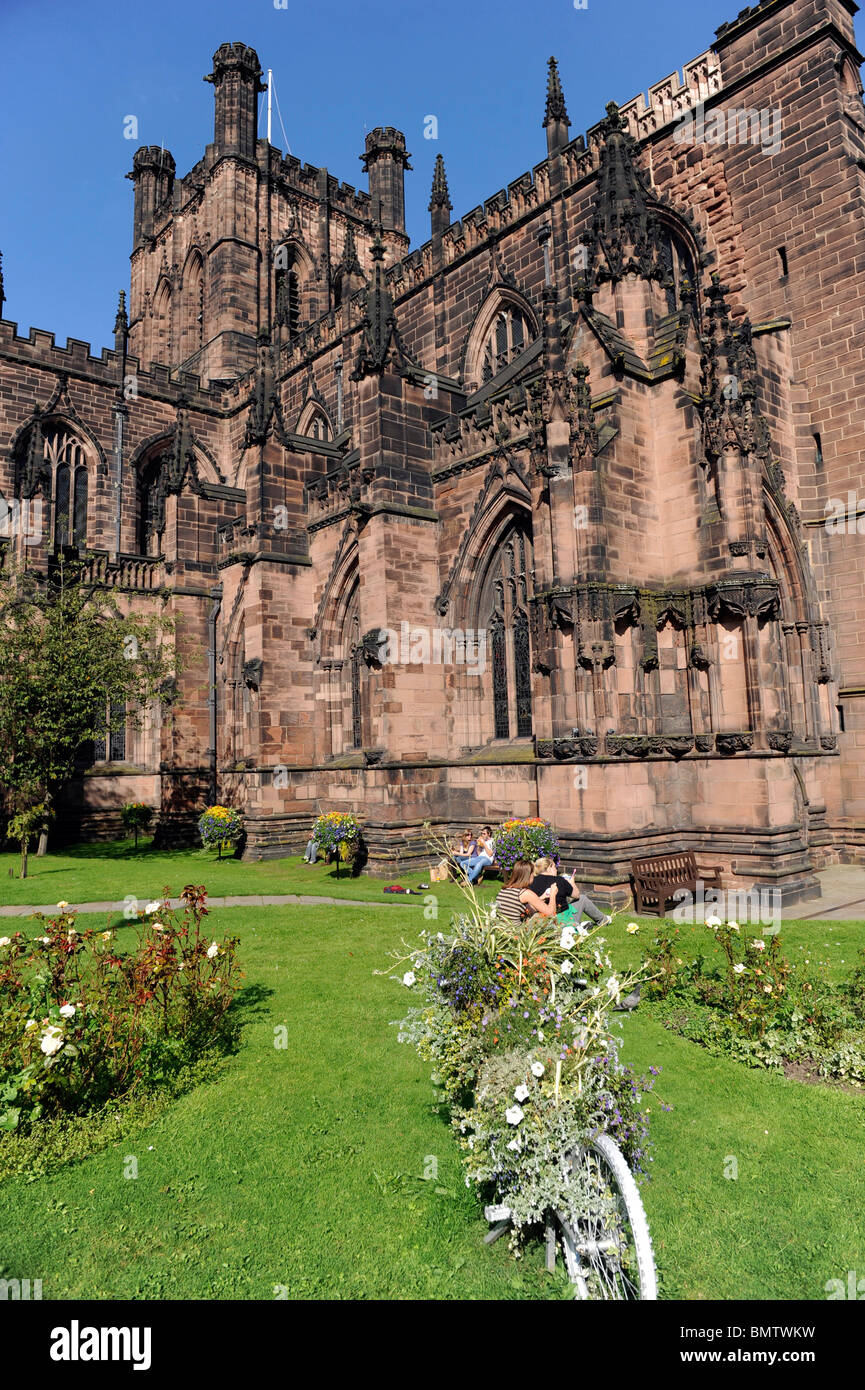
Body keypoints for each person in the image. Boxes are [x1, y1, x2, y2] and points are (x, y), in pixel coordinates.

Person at [531, 856, 612, 928]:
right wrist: (572, 883)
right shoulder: (559, 880)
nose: (556, 870)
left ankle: (581, 925)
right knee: (582, 899)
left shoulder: (532, 881)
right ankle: (603, 920)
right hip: (563, 920)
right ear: (549, 867)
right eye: (555, 867)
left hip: (541, 921)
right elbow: (576, 895)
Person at [493, 859, 560, 923]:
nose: (534, 876)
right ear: (529, 875)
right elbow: (551, 914)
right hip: (516, 932)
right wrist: (553, 894)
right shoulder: (525, 893)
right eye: (533, 874)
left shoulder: (504, 890)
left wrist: (542, 897)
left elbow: (529, 908)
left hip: (502, 929)